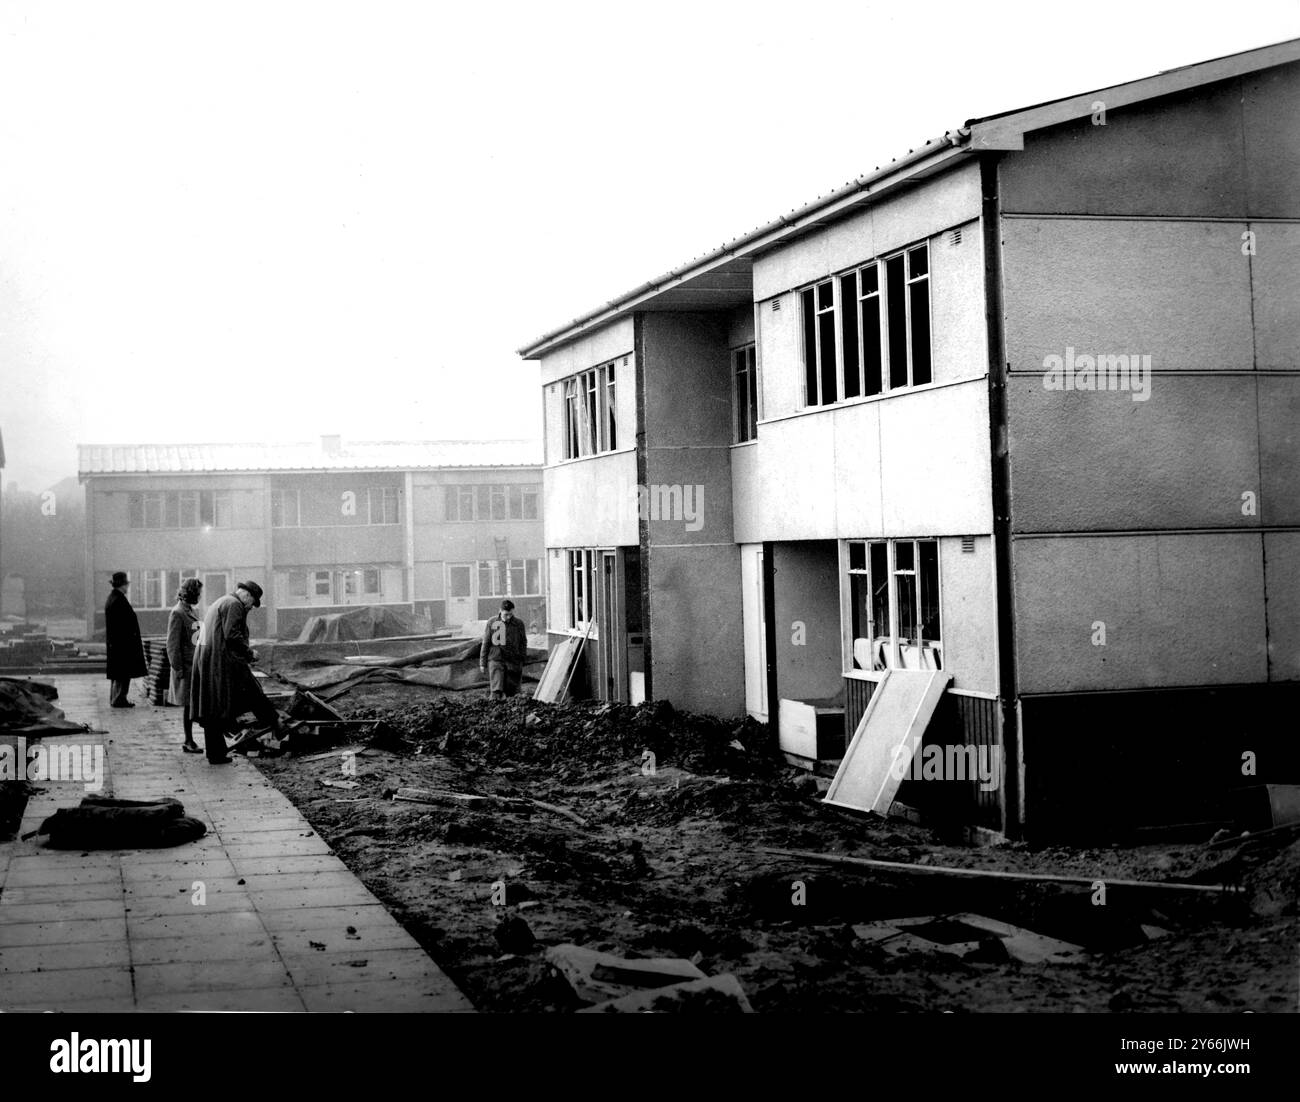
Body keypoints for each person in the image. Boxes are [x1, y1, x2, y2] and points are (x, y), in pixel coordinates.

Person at [190, 580, 281, 764]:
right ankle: (275, 722)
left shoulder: (221, 601)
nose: (250, 608)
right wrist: (250, 653)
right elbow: (232, 636)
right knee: (251, 688)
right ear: (246, 595)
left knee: (213, 707)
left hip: (208, 660)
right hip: (220, 660)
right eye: (252, 603)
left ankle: (216, 753)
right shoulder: (234, 604)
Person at [166, 577, 204, 753]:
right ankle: (188, 740)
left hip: (194, 665)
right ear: (191, 594)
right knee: (189, 705)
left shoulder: (191, 611)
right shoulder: (178, 613)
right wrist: (178, 668)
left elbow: (196, 638)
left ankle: (190, 740)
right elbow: (172, 645)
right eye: (198, 593)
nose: (200, 596)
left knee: (193, 704)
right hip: (185, 667)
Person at [104, 571, 146, 708]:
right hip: (122, 645)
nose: (127, 587)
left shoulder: (113, 598)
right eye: (126, 585)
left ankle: (116, 698)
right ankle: (119, 699)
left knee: (118, 674)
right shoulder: (118, 600)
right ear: (122, 585)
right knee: (122, 673)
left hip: (117, 644)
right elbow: (124, 624)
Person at [480, 599, 528, 700]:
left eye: (510, 614)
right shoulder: (492, 622)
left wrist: (522, 659)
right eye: (506, 614)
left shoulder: (519, 624)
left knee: (513, 691)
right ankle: (495, 710)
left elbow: (523, 642)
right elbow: (486, 643)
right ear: (500, 611)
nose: (508, 617)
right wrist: (482, 663)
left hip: (513, 660)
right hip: (496, 659)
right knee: (496, 690)